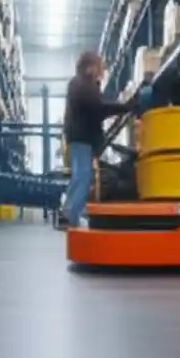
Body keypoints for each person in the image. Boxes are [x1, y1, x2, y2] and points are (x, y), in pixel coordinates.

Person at [61, 51, 134, 228]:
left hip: (81, 138)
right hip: (81, 138)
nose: (100, 71)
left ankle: (67, 213)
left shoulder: (83, 84)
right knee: (83, 178)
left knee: (81, 177)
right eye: (98, 67)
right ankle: (69, 215)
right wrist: (124, 107)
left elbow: (96, 108)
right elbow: (98, 108)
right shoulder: (81, 84)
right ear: (90, 66)